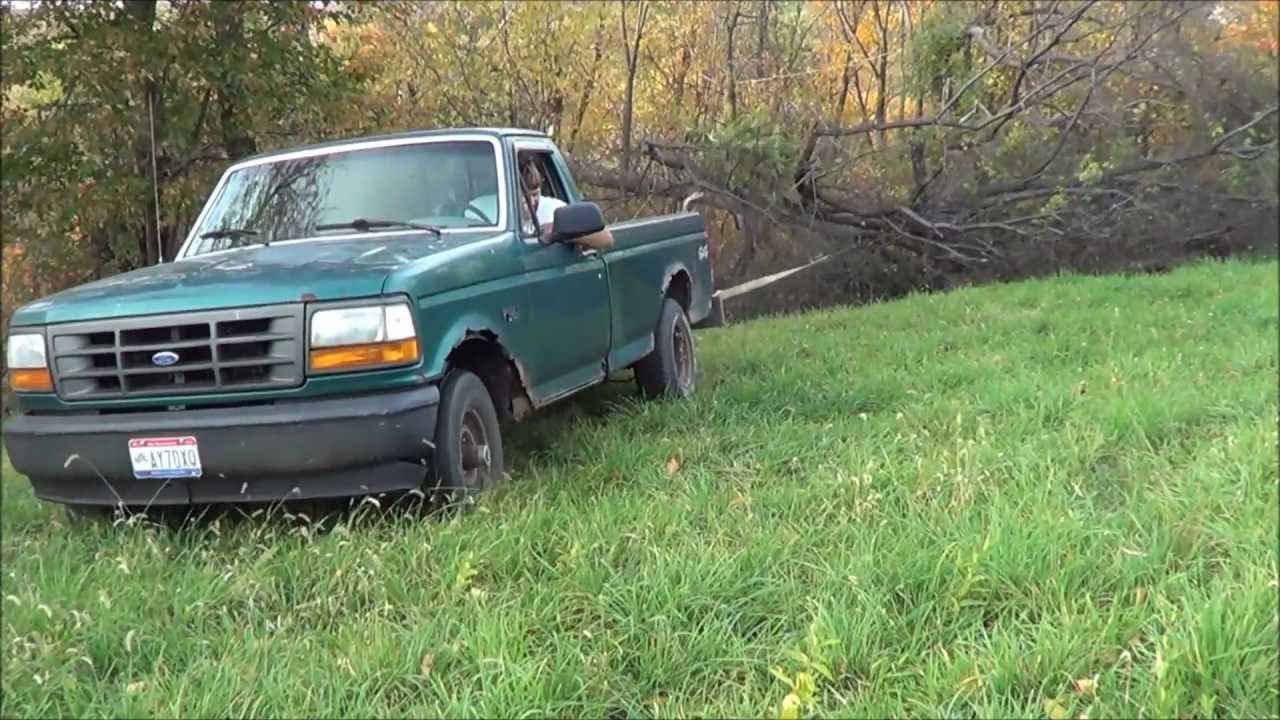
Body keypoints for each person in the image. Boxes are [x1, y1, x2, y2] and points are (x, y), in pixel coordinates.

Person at [520, 161, 614, 250]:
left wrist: (557, 233)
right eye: (524, 197)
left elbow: (606, 238)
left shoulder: (553, 208)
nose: (531, 202)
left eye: (535, 194)